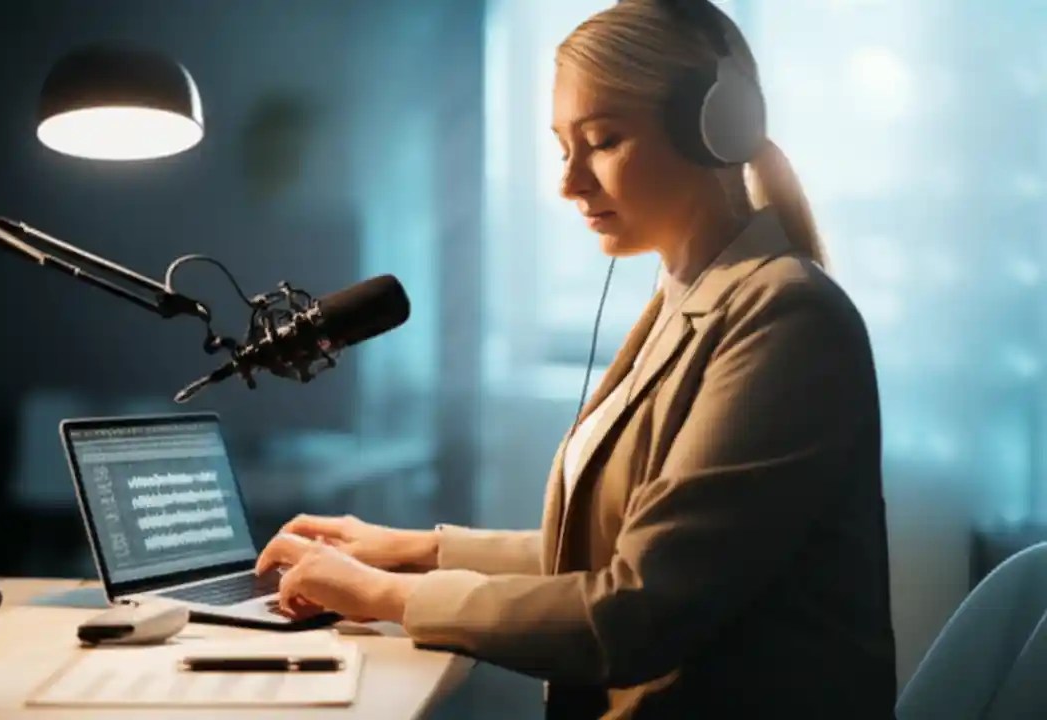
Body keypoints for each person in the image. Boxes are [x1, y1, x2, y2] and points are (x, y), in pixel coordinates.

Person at [254, 1, 897, 717]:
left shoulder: (784, 319)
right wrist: (412, 550)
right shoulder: (686, 300)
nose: (570, 183)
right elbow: (615, 555)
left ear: (712, 129)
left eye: (604, 140)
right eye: (564, 147)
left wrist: (385, 595)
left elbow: (637, 610)